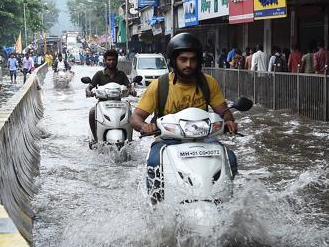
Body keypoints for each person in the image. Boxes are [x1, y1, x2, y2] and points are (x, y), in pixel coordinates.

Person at [131, 33, 240, 189]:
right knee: (154, 163)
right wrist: (145, 126)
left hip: (203, 139)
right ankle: (155, 207)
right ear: (174, 61)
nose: (188, 64)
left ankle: (227, 200)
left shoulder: (208, 83)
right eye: (183, 60)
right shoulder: (159, 85)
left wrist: (229, 121)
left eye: (193, 60)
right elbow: (136, 117)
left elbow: (223, 110)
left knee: (230, 158)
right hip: (166, 141)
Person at [86, 49, 133, 140]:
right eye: (109, 60)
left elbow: (129, 86)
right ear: (105, 60)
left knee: (131, 113)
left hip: (119, 104)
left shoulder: (121, 74)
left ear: (117, 60)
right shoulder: (99, 74)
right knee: (92, 112)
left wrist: (132, 91)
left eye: (114, 60)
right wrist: (88, 91)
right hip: (102, 104)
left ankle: (129, 138)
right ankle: (95, 138)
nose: (111, 62)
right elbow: (90, 86)